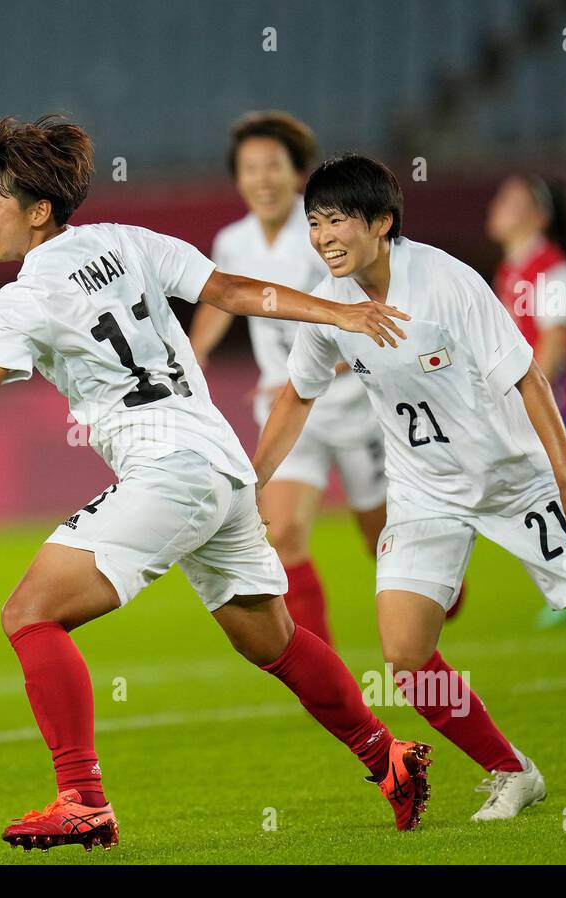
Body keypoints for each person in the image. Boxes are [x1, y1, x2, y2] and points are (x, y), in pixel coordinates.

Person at [0, 116, 431, 851]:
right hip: (222, 463)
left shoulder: (24, 296)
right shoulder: (127, 241)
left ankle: (82, 799)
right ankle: (387, 756)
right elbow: (235, 291)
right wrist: (337, 309)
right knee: (274, 640)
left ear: (37, 210)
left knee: (29, 614)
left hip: (170, 470)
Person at [254, 153, 566, 822]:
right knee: (406, 653)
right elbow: (297, 394)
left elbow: (529, 378)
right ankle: (512, 770)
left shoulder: (447, 284)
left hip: (518, 482)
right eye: (314, 222)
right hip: (424, 492)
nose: (322, 237)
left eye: (337, 221)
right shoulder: (328, 308)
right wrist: (252, 479)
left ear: (381, 222)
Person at [188, 111, 390, 645]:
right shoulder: (233, 241)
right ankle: (328, 673)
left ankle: (437, 589)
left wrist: (323, 366)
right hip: (287, 410)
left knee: (383, 545)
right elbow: (223, 299)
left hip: (356, 406)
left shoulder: (327, 235)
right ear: (238, 179)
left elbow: (372, 312)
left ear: (297, 173)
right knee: (286, 535)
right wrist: (194, 351)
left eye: (273, 166)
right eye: (250, 168)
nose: (262, 179)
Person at [486, 174, 566, 458]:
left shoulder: (555, 271)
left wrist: (526, 407)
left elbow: (555, 342)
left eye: (510, 202)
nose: (496, 206)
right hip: (530, 406)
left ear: (538, 217)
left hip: (555, 409)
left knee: (557, 501)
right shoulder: (509, 271)